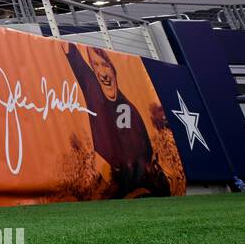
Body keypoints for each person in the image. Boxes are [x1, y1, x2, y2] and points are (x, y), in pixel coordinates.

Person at [66, 45, 174, 198]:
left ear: (113, 69)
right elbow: (77, 63)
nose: (102, 72)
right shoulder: (95, 92)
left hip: (138, 186)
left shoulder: (130, 110)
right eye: (95, 65)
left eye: (105, 64)